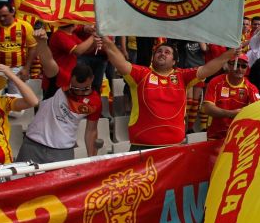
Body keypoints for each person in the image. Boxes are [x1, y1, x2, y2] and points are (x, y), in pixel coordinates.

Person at [101, 36, 237, 149]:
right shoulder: (141, 74)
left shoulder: (182, 76)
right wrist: (106, 40)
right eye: (159, 51)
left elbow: (208, 68)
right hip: (142, 146)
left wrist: (230, 53)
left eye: (167, 52)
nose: (162, 53)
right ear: (153, 57)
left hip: (174, 149)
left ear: (174, 61)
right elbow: (120, 62)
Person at [18, 62, 102, 163]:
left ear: (92, 79)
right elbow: (47, 59)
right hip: (33, 143)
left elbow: (91, 131)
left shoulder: (95, 101)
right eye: (75, 88)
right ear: (71, 78)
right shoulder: (62, 79)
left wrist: (92, 159)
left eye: (84, 89)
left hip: (63, 151)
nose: (79, 92)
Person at [0, 2, 37, 93]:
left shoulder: (25, 26)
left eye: (5, 15)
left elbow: (33, 47)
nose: (2, 19)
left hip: (18, 68)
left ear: (12, 12)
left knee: (16, 98)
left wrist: (26, 68)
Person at [201, 54, 260, 140]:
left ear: (247, 69)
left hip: (238, 136)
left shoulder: (251, 88)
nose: (239, 69)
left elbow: (258, 110)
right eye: (236, 64)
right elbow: (207, 108)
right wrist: (230, 114)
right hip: (215, 135)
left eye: (243, 66)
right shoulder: (216, 82)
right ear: (229, 65)